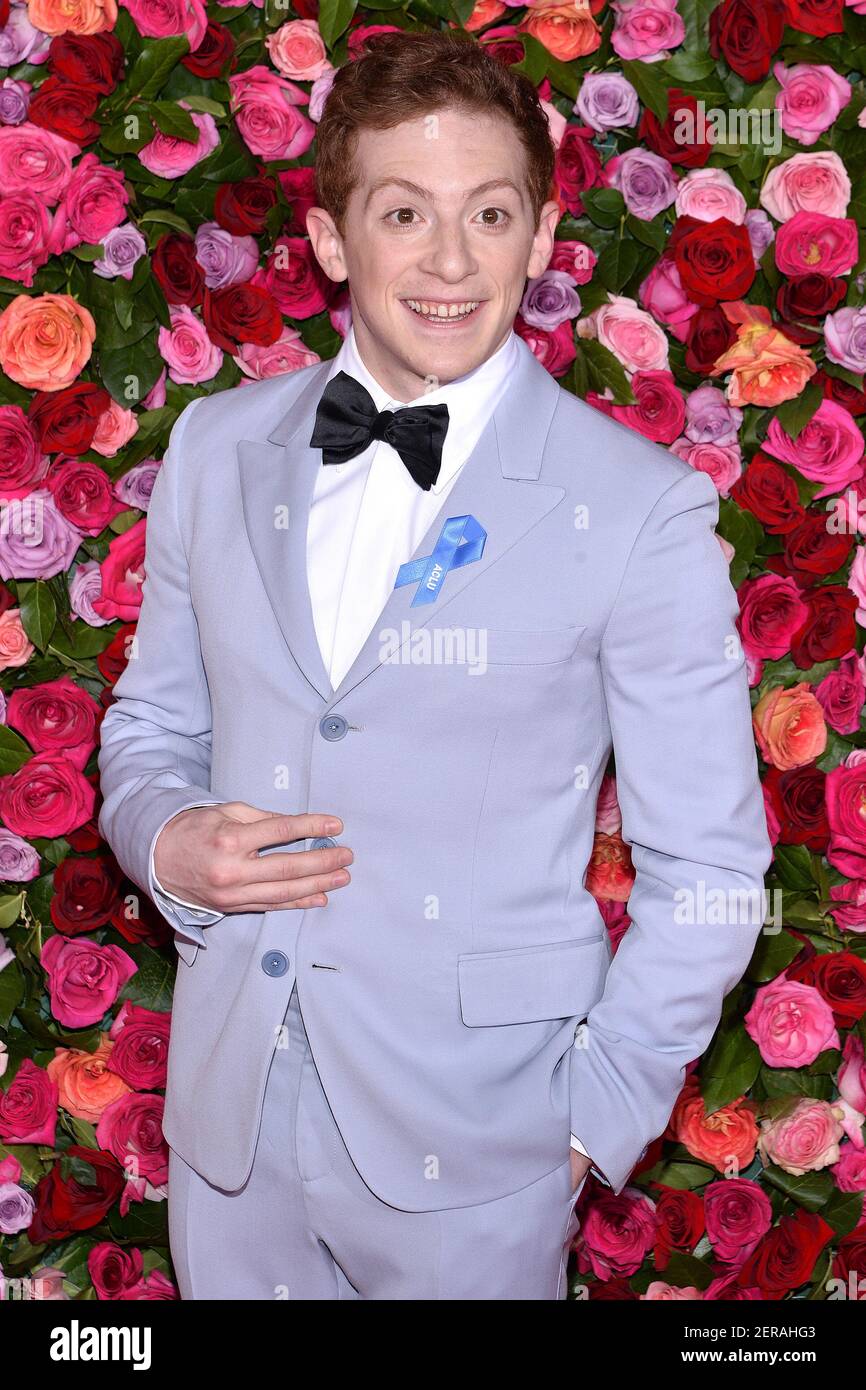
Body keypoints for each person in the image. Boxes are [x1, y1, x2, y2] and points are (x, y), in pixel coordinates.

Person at [97, 29, 773, 1300]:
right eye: (404, 212)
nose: (452, 262)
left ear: (542, 228)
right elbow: (149, 730)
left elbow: (715, 867)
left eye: (490, 214)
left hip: (483, 1156)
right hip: (229, 1140)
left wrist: (589, 1122)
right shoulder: (214, 447)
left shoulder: (638, 510)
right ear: (332, 237)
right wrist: (169, 839)